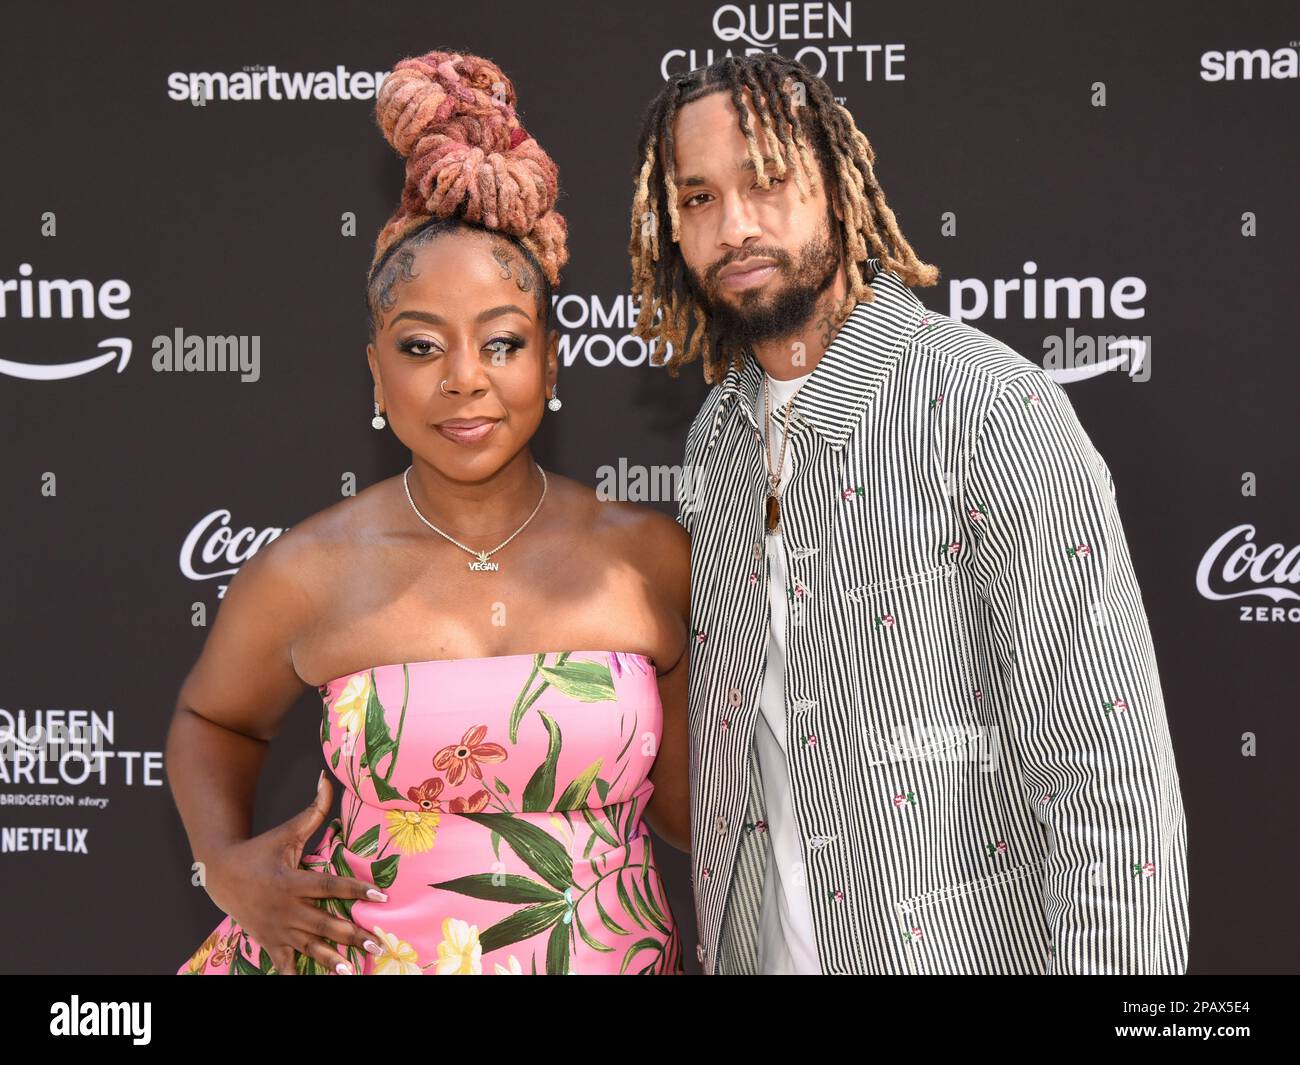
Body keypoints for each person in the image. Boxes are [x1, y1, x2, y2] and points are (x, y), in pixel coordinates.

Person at [627, 53, 1189, 975]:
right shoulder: (716, 441)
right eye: (698, 199)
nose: (736, 227)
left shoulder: (987, 406)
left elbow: (1111, 783)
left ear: (843, 189)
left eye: (770, 181)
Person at [168, 49, 689, 977]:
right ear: (375, 371)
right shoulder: (308, 570)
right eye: (420, 346)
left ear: (550, 363)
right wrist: (225, 868)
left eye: (501, 341)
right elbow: (214, 721)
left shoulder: (648, 556)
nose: (465, 378)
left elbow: (706, 810)